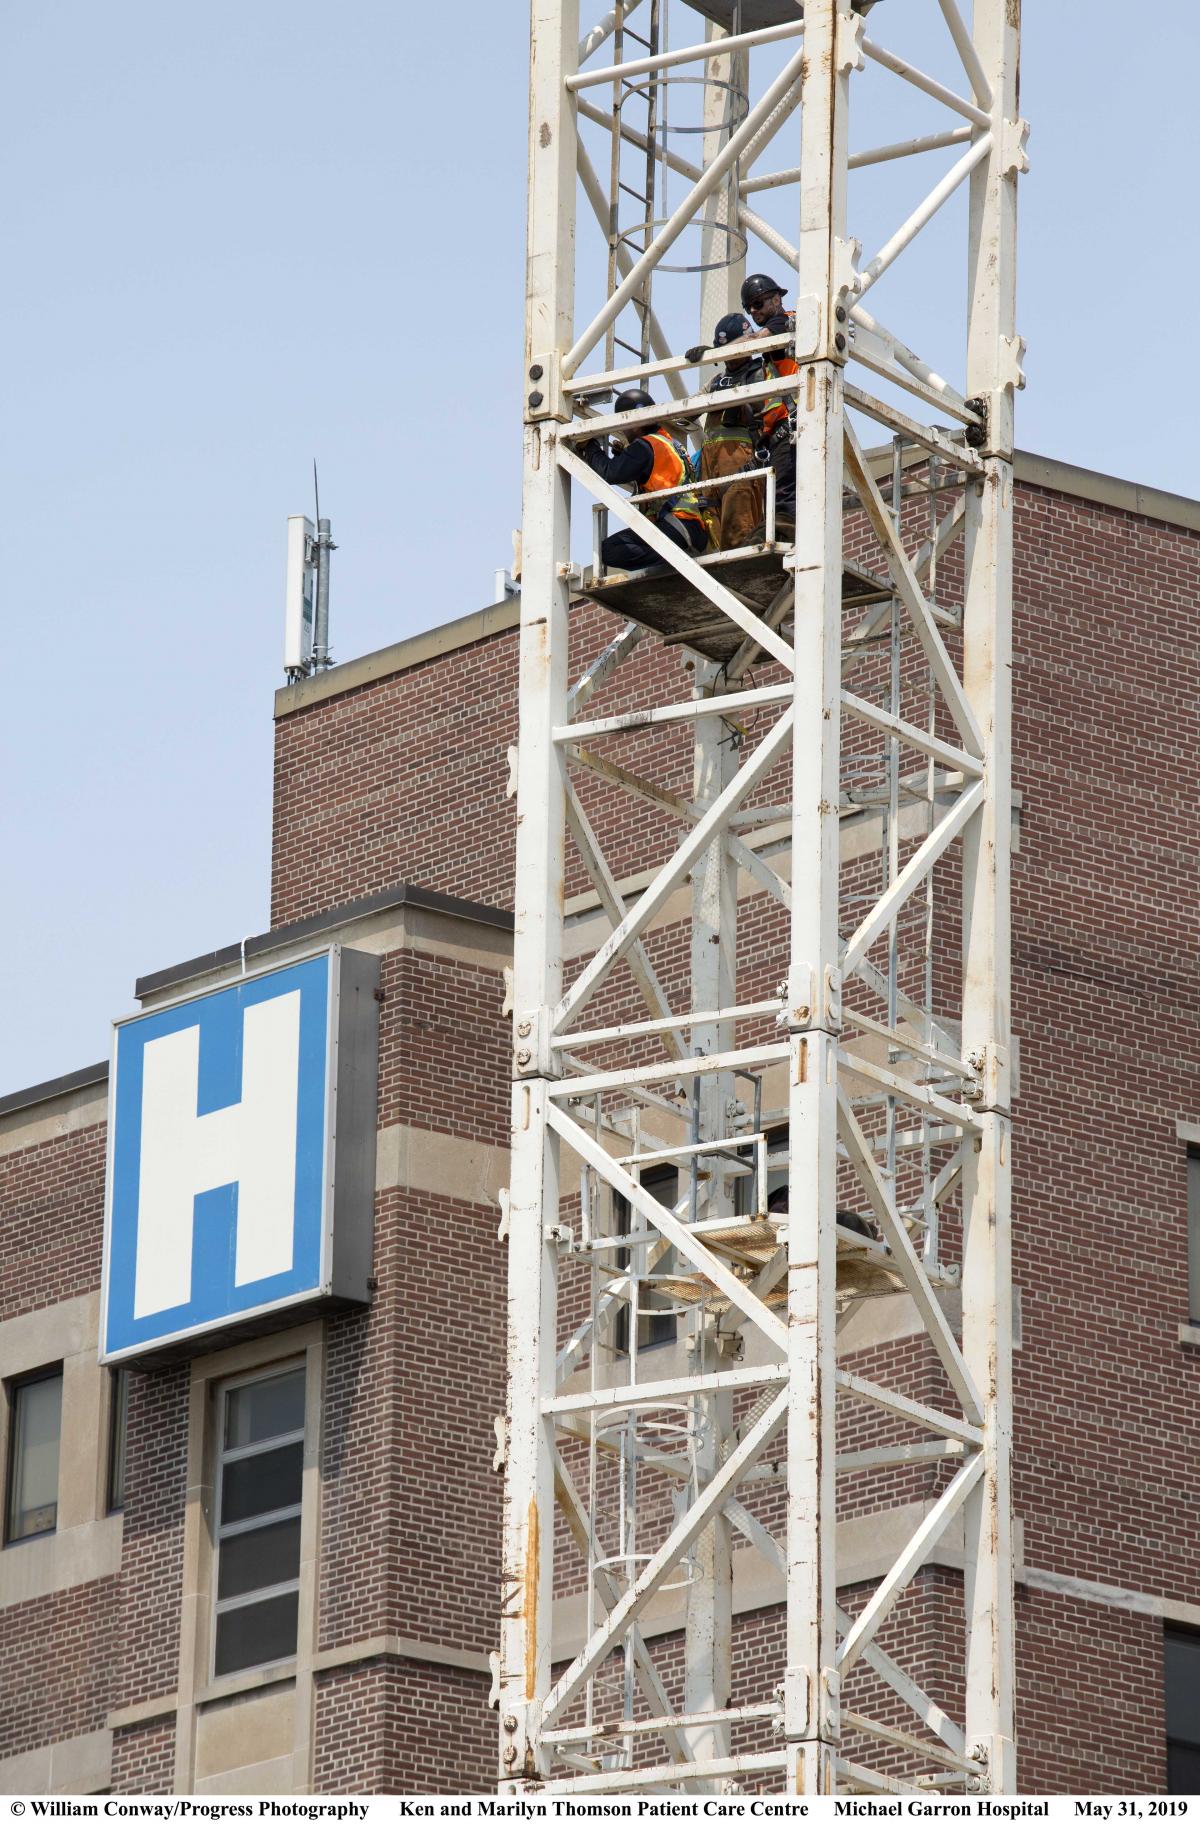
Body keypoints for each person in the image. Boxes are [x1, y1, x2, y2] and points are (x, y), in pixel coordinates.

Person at [582, 388, 712, 574]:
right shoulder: (669, 443)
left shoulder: (645, 446)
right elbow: (658, 476)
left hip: (676, 527)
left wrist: (590, 447)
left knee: (609, 550)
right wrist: (625, 457)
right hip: (693, 528)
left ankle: (673, 556)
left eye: (624, 424)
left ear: (635, 423)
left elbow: (611, 473)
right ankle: (671, 557)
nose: (623, 430)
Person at [697, 311, 769, 551]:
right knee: (710, 520)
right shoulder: (716, 381)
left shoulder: (760, 374)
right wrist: (701, 358)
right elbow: (685, 415)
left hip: (741, 457)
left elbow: (770, 413)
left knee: (740, 526)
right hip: (710, 460)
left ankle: (744, 562)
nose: (729, 357)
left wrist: (745, 406)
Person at [740, 274, 798, 526]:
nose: (754, 311)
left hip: (793, 424)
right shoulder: (781, 330)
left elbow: (757, 340)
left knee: (784, 496)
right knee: (781, 493)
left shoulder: (783, 322)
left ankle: (788, 535)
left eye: (758, 303)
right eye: (749, 308)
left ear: (776, 299)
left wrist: (717, 350)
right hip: (786, 426)